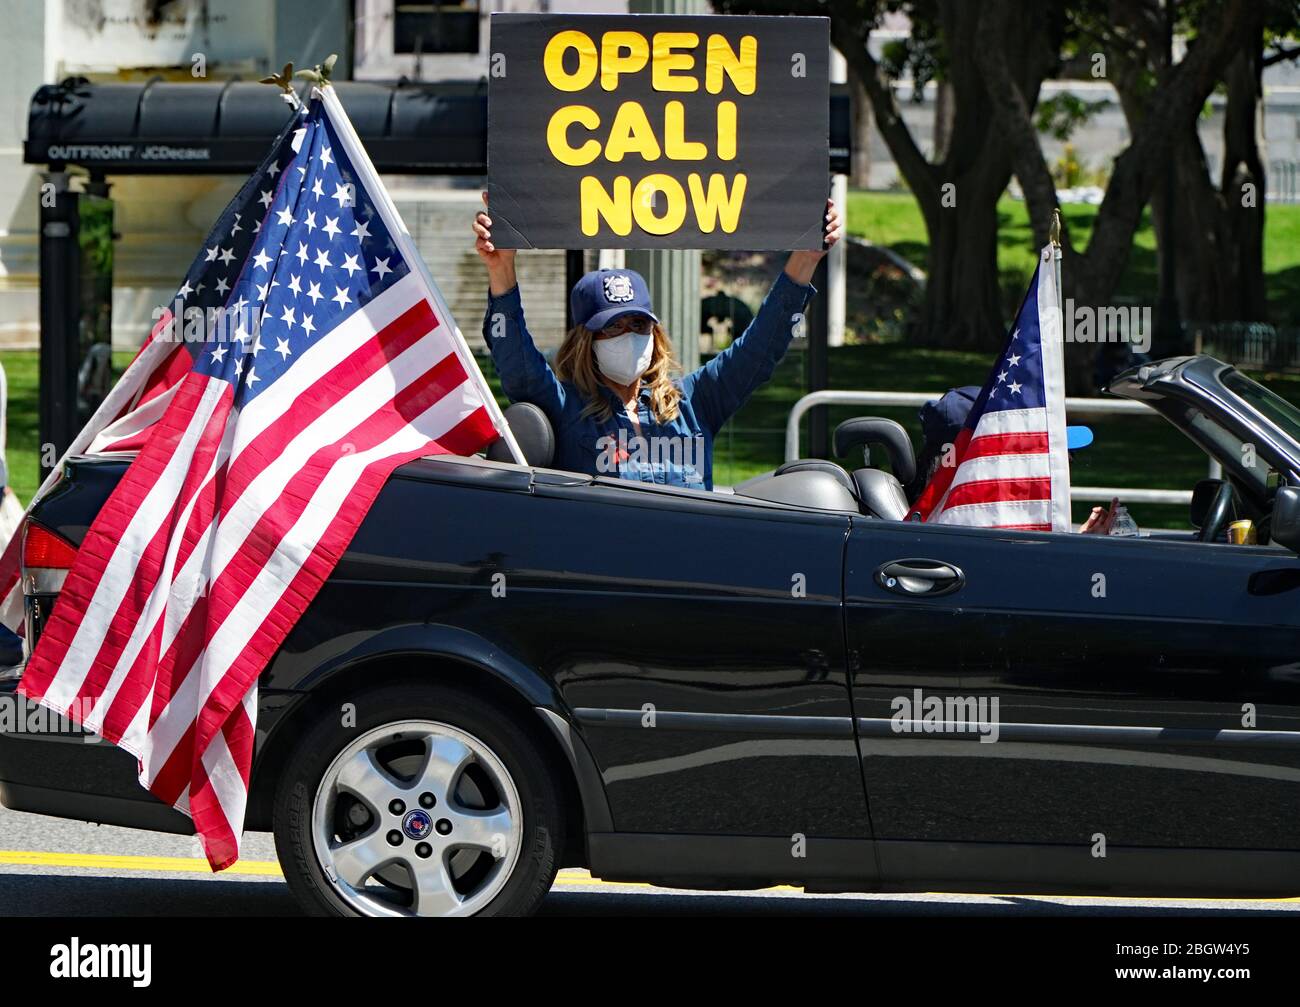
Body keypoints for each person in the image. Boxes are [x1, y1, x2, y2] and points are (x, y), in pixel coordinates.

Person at [473, 194, 841, 490]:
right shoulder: (567, 407)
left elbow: (760, 348)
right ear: (586, 341)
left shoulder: (695, 402)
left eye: (638, 324)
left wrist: (804, 262)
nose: (629, 336)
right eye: (612, 327)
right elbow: (515, 361)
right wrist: (501, 271)